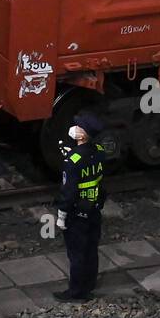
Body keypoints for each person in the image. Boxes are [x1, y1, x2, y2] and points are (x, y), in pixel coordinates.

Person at [54, 112, 106, 302]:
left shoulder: (72, 161)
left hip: (76, 213)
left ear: (83, 135)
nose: (74, 128)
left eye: (78, 126)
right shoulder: (99, 151)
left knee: (76, 254)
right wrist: (74, 152)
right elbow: (91, 168)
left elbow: (68, 192)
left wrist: (61, 215)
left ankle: (76, 293)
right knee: (91, 249)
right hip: (94, 208)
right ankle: (89, 284)